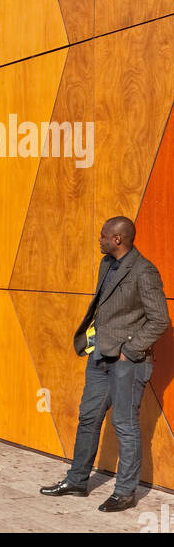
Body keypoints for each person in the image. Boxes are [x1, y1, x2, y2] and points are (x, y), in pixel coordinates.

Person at [40, 216, 169, 511]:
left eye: (102, 237)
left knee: (125, 425)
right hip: (100, 357)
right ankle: (77, 481)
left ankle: (125, 492)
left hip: (128, 362)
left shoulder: (144, 271)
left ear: (117, 239)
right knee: (88, 418)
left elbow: (160, 319)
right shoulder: (106, 265)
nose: (99, 240)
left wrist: (130, 350)